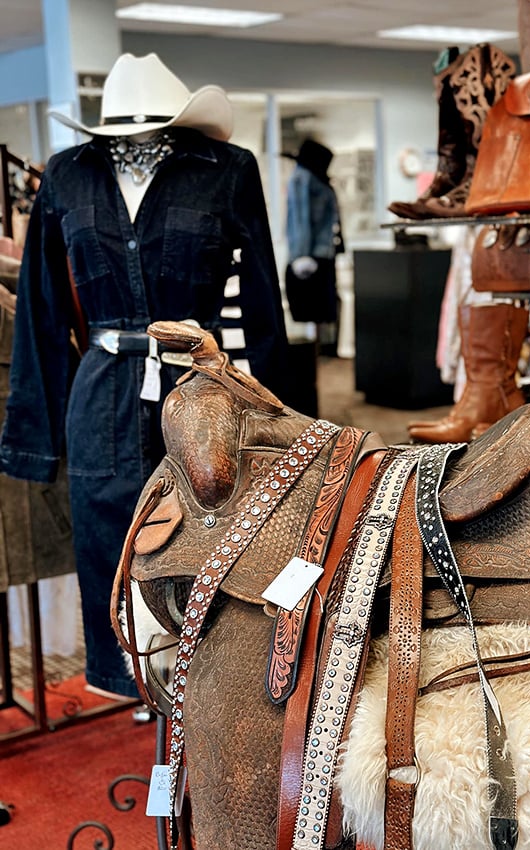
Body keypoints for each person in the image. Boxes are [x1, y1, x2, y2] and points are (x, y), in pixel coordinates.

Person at [0, 53, 289, 699]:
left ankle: (212, 680)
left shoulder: (227, 170)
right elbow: (41, 312)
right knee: (108, 533)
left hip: (200, 385)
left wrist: (285, 424)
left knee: (212, 526)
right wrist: (33, 440)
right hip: (102, 386)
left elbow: (263, 300)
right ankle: (126, 673)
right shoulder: (68, 176)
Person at [283, 138, 343, 333]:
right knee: (316, 315)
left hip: (317, 256)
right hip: (312, 257)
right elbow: (300, 218)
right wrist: (301, 255)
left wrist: (301, 254)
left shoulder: (308, 178)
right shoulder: (305, 178)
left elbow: (302, 218)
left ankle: (318, 349)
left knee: (320, 316)